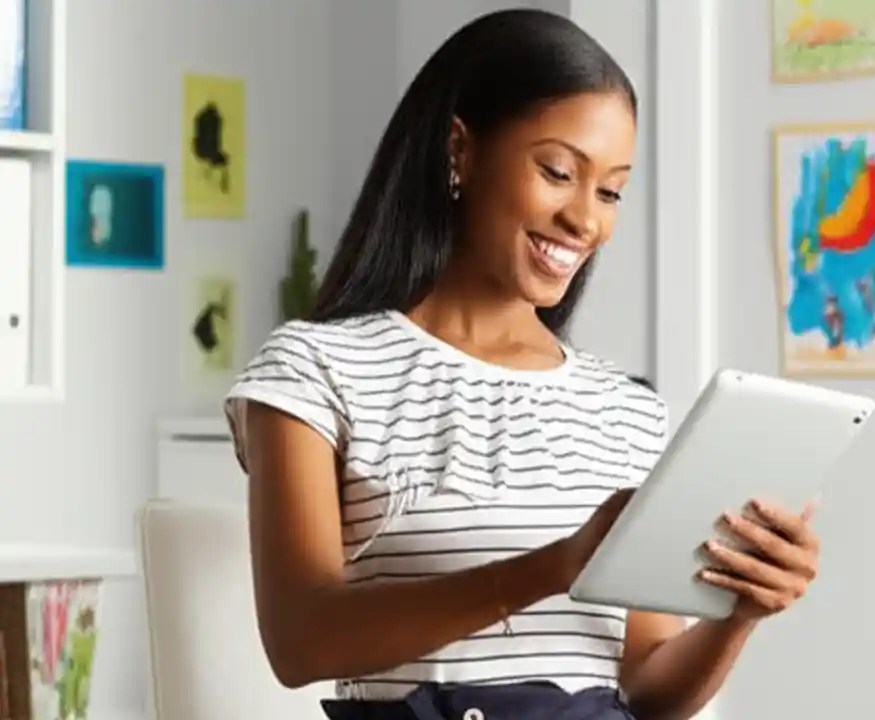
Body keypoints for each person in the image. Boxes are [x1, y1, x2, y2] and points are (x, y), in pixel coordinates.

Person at [223, 9, 822, 719]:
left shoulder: (628, 412)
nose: (585, 220)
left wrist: (738, 614)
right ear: (461, 150)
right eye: (558, 171)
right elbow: (301, 641)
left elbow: (648, 689)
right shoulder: (316, 370)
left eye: (610, 190)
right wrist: (552, 569)